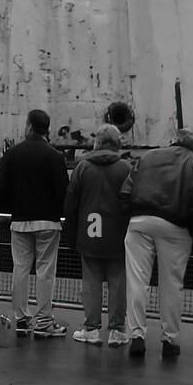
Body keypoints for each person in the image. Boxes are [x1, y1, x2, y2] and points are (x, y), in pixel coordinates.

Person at [119, 128, 193, 358]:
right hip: (175, 225)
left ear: (173, 140)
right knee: (172, 283)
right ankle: (170, 340)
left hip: (140, 220)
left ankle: (136, 335)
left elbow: (126, 190)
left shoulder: (148, 157)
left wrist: (131, 214)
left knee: (137, 281)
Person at [0, 109, 70, 338]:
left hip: (20, 221)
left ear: (28, 125)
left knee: (20, 268)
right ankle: (44, 321)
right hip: (48, 221)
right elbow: (63, 191)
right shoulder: (55, 156)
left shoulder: (13, 154)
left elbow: (1, 191)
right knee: (45, 270)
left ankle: (21, 318)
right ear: (46, 128)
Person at [64, 125, 131, 346]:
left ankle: (91, 328)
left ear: (98, 142)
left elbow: (71, 203)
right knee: (119, 282)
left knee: (91, 282)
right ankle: (117, 330)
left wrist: (72, 235)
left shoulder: (83, 167)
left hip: (89, 234)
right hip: (119, 235)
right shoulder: (125, 168)